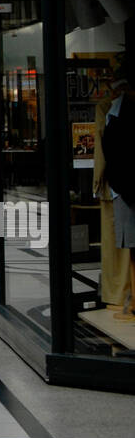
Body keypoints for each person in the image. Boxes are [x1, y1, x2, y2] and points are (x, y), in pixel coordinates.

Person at [99, 73, 135, 322]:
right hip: (123, 189)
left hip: (125, 191)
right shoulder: (113, 112)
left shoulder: (118, 115)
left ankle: (132, 303)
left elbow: (112, 154)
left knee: (131, 247)